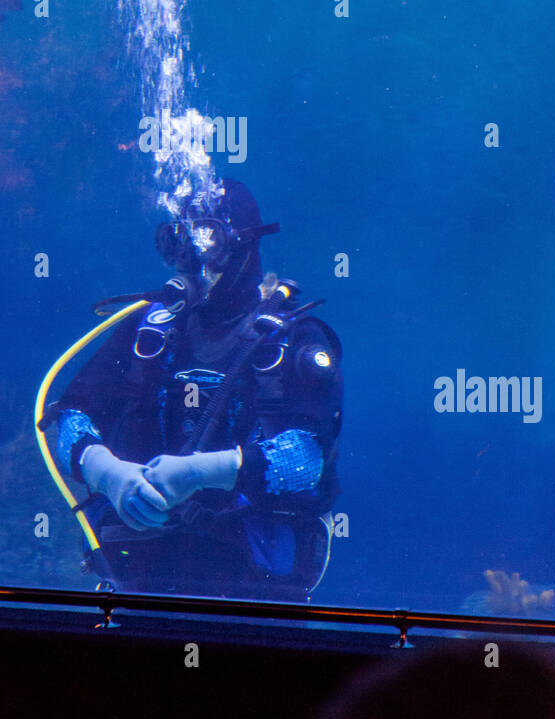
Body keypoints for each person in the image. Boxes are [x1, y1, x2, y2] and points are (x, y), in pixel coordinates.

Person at [46, 179, 344, 599]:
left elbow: (305, 460)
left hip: (254, 600)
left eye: (208, 238)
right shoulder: (147, 331)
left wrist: (197, 473)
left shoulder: (292, 340)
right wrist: (109, 474)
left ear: (244, 243)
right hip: (140, 585)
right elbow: (72, 417)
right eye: (179, 240)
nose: (193, 259)